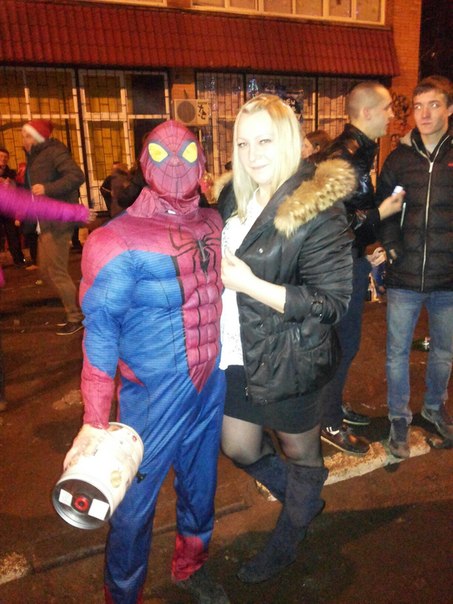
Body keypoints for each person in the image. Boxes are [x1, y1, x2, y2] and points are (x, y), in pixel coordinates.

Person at [63, 121, 229, 604]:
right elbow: (100, 332)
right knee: (132, 505)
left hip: (209, 381)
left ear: (203, 161)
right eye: (161, 154)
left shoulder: (214, 222)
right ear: (143, 163)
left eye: (188, 154)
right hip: (152, 397)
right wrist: (95, 421)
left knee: (201, 485)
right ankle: (122, 594)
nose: (175, 164)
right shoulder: (115, 240)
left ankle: (191, 566)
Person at [217, 93, 356, 584]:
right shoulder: (233, 198)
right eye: (243, 142)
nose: (252, 153)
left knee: (300, 453)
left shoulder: (316, 209)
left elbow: (332, 302)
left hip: (294, 357)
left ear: (290, 142)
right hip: (239, 350)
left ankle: (289, 535)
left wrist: (251, 285)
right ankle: (303, 501)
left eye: (265, 141)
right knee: (237, 446)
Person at [317, 81, 405, 455]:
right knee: (342, 344)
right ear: (367, 113)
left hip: (347, 261)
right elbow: (330, 220)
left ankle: (332, 408)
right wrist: (381, 212)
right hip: (335, 268)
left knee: (344, 343)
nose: (392, 115)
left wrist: (365, 250)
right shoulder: (346, 156)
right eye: (387, 108)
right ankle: (327, 421)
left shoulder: (358, 152)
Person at [377, 75, 453, 458]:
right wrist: (390, 243)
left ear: (449, 109)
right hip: (405, 275)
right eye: (419, 106)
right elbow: (385, 207)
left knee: (443, 352)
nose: (424, 114)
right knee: (397, 353)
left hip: (448, 278)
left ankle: (434, 408)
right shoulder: (400, 158)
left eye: (434, 105)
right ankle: (398, 419)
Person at [0, 182, 92, 412]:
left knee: (56, 272)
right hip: (52, 224)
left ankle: (76, 315)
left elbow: (25, 203)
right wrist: (76, 212)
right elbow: (24, 203)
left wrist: (75, 212)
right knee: (51, 272)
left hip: (54, 228)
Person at [22, 119, 86, 335]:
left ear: (38, 136)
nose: (24, 140)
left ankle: (75, 317)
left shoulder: (53, 152)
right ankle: (74, 308)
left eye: (27, 135)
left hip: (57, 220)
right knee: (45, 270)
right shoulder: (36, 156)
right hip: (44, 220)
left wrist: (47, 188)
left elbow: (76, 176)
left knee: (56, 272)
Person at [0, 147, 27, 268]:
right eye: (1, 156)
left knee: (13, 234)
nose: (3, 159)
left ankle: (19, 259)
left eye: (5, 157)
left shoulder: (11, 173)